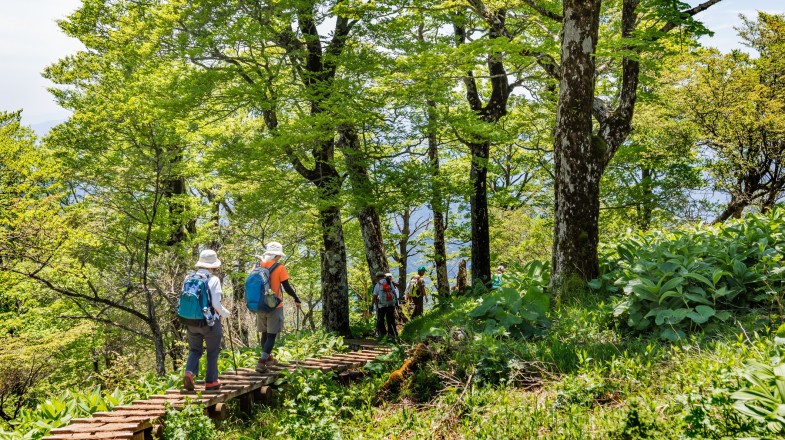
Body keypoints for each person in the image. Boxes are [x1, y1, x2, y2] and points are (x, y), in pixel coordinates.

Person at [183, 249, 231, 391]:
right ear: (213, 265)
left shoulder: (188, 278)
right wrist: (225, 313)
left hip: (191, 321)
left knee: (195, 350)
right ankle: (211, 382)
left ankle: (189, 372)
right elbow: (216, 304)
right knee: (212, 351)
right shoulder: (214, 279)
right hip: (209, 322)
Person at [255, 242, 302, 372]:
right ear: (276, 255)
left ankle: (269, 359)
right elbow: (286, 287)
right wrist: (296, 298)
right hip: (274, 306)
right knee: (271, 335)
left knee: (264, 333)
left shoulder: (257, 265)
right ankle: (262, 361)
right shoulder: (280, 268)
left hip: (259, 305)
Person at [373, 272, 398, 339]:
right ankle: (393, 334)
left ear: (377, 277)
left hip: (382, 305)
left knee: (381, 319)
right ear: (383, 276)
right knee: (391, 319)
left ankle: (382, 333)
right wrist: (396, 301)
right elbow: (394, 292)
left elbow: (374, 296)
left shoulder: (378, 284)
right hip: (391, 304)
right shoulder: (389, 282)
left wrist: (371, 304)